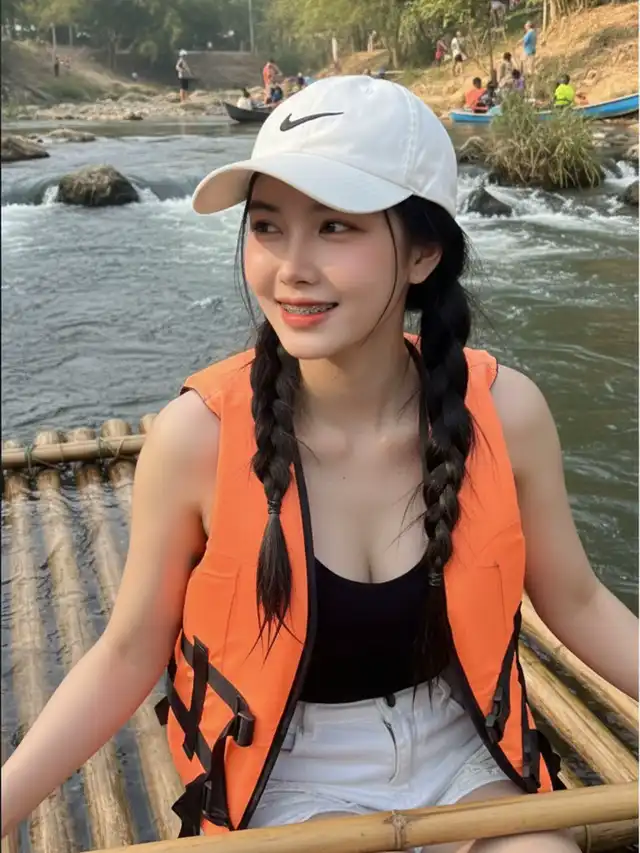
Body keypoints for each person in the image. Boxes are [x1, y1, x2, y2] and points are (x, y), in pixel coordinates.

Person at [2, 75, 637, 851]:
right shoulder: (197, 438)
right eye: (268, 226)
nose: (291, 268)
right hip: (283, 772)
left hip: (464, 749)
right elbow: (129, 650)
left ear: (424, 252)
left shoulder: (507, 413)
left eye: (335, 226)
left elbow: (580, 602)